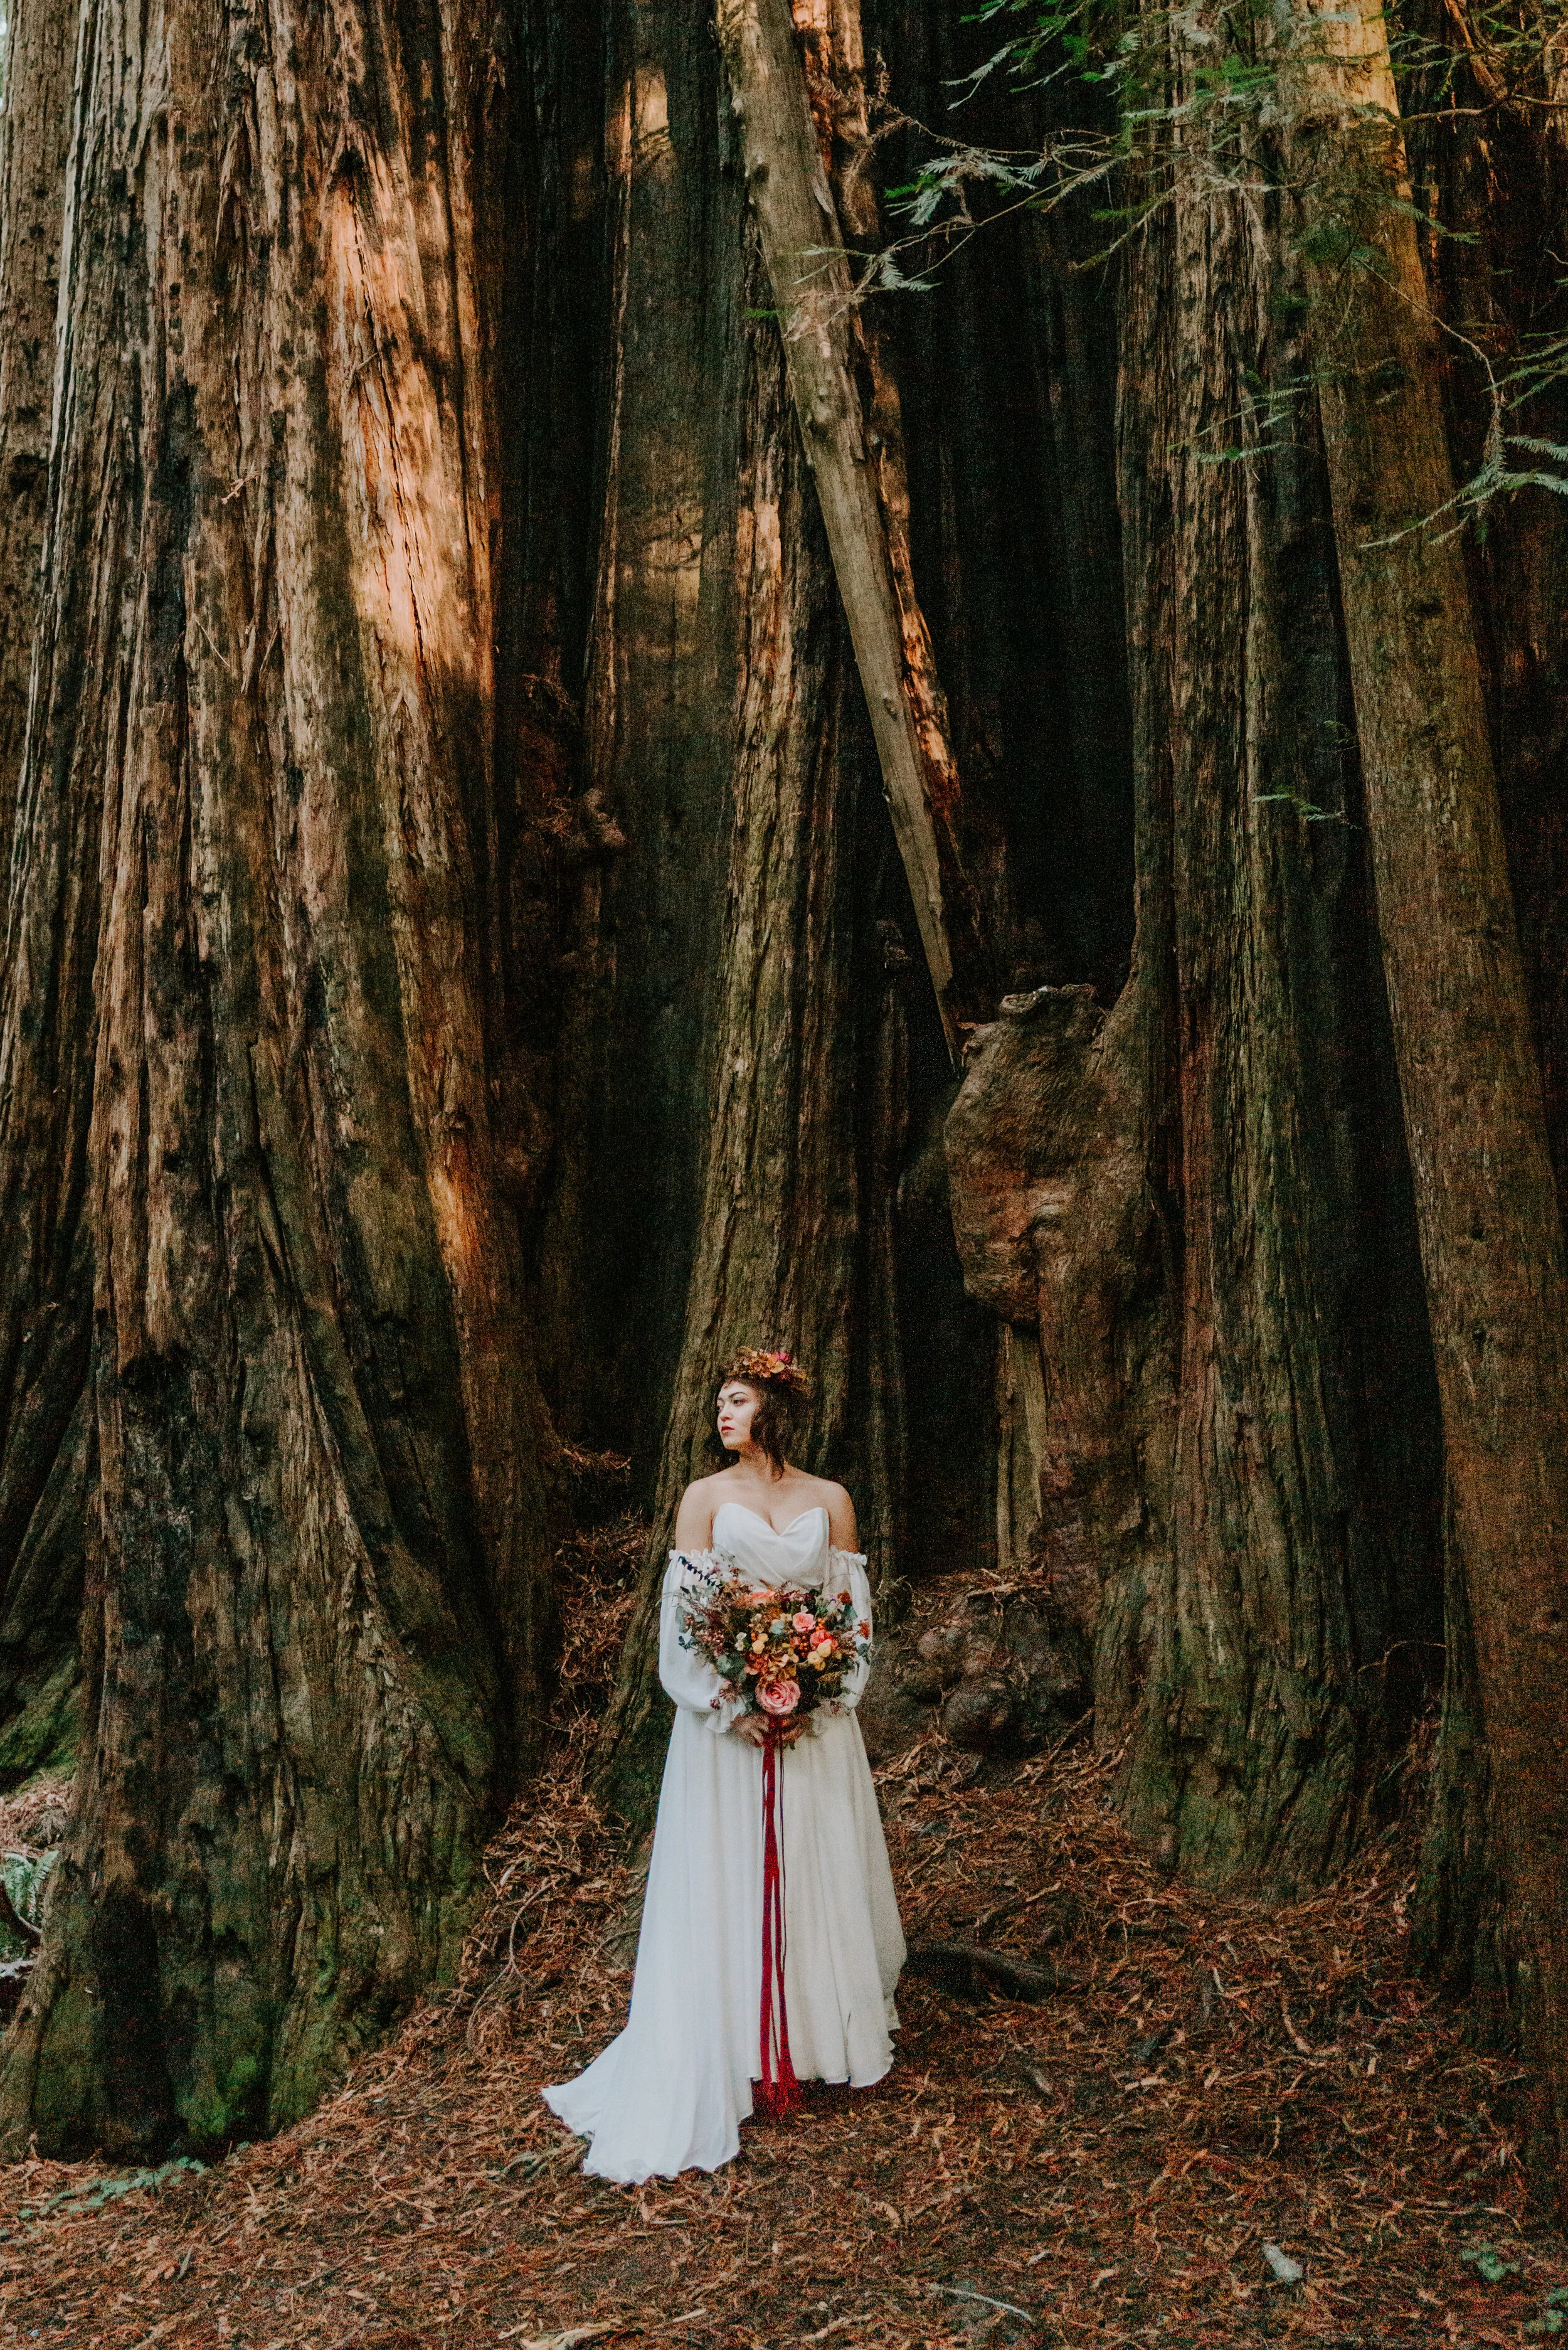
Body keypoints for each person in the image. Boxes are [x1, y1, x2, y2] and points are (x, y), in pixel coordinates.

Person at [543, 1346, 906, 2184]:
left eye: (736, 1400)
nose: (723, 1415)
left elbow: (851, 1615)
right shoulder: (704, 1499)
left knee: (815, 1868)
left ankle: (817, 2038)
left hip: (813, 1731)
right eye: (719, 1403)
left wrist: (817, 1694)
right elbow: (687, 1620)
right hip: (725, 1732)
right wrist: (734, 1702)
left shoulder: (831, 1500)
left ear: (773, 1407)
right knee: (728, 1875)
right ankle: (734, 2041)